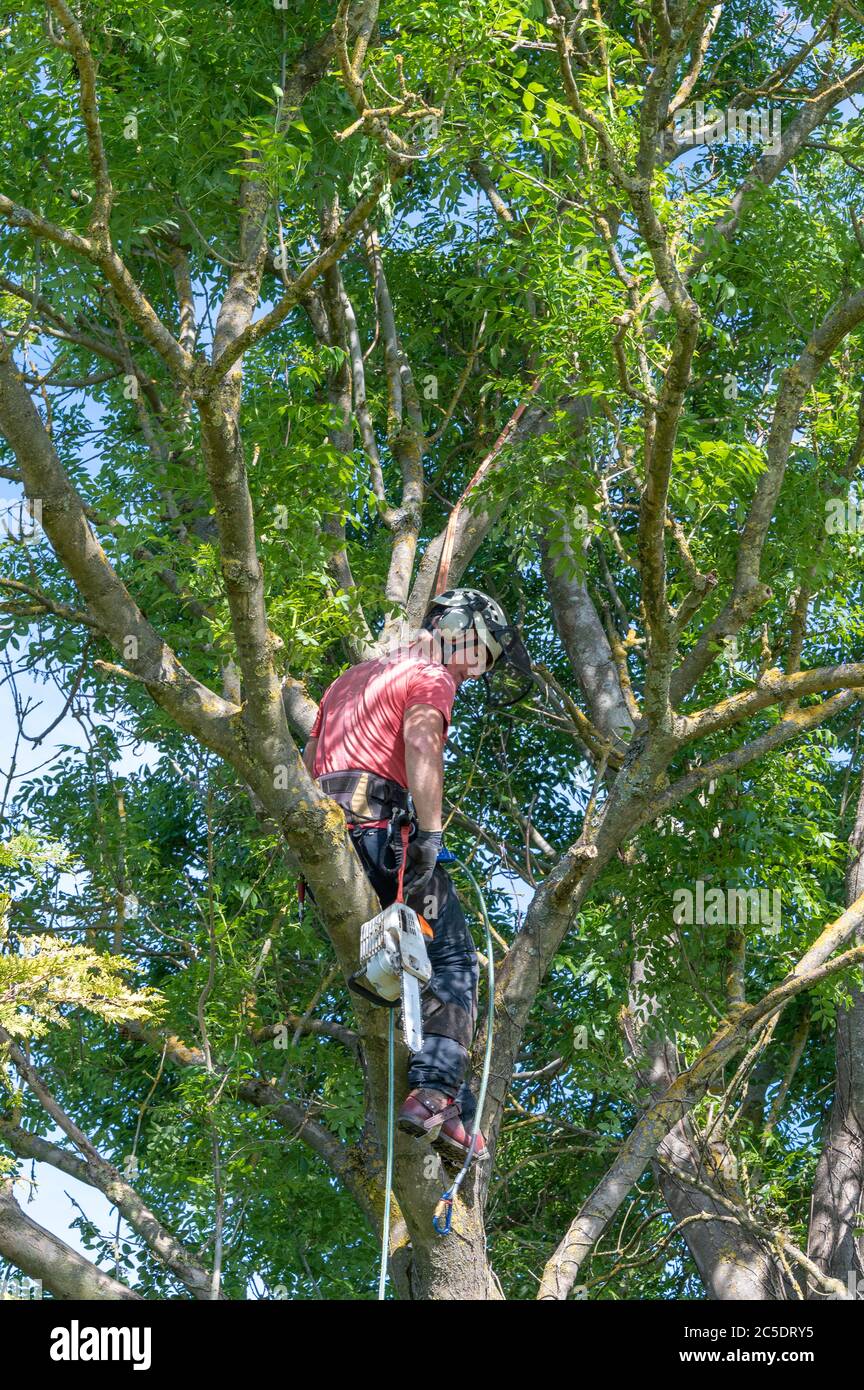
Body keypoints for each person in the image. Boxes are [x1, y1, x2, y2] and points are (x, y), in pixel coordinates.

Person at [302, 589, 531, 1163]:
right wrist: (430, 835)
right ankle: (434, 1095)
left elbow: (309, 766)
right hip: (383, 835)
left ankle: (446, 1098)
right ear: (463, 632)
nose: (473, 672)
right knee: (454, 960)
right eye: (478, 654)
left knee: (418, 964)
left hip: (331, 841)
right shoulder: (432, 675)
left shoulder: (352, 678)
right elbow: (423, 746)